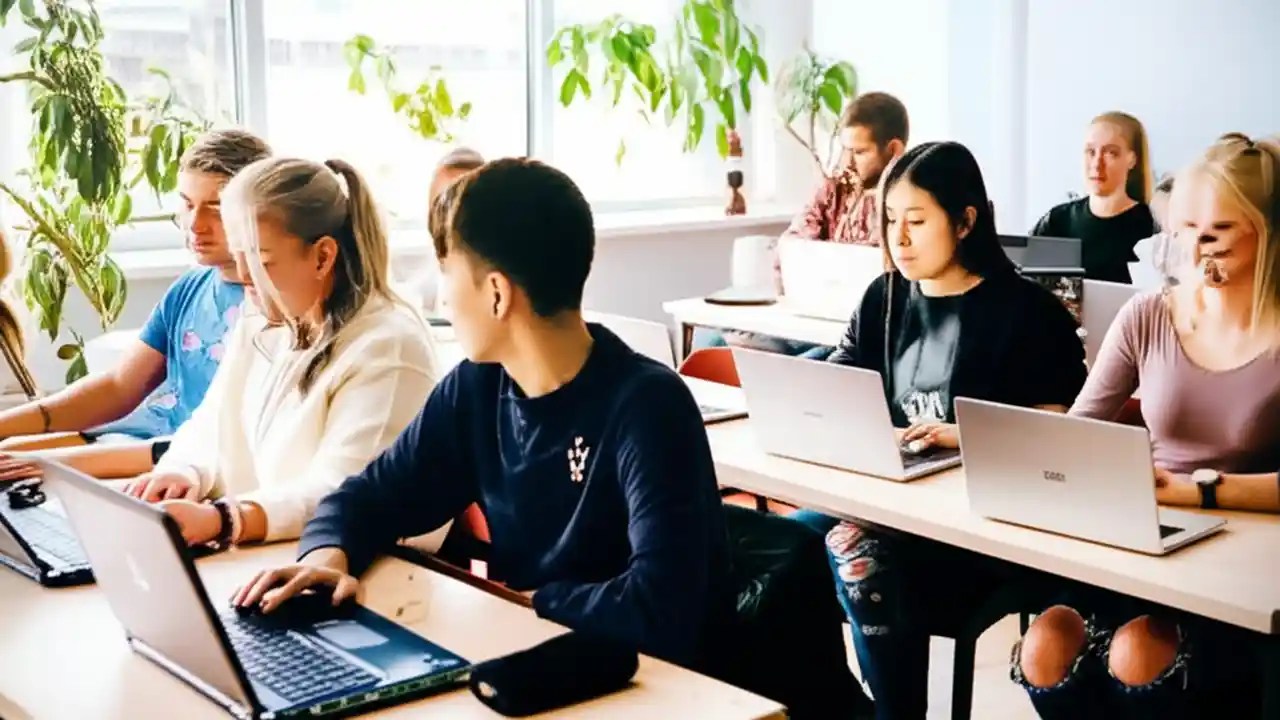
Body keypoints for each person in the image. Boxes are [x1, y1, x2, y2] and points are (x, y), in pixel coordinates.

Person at [230, 158, 734, 671]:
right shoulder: (479, 387)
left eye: (448, 274)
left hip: (653, 686)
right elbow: (370, 497)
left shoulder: (648, 406)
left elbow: (665, 606)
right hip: (544, 660)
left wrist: (525, 603)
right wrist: (326, 561)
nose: (443, 296)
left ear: (495, 293)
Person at [793, 141, 1088, 719]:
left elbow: (1065, 429)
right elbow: (841, 380)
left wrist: (963, 435)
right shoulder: (883, 298)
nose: (897, 238)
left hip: (976, 526)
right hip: (888, 499)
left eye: (917, 221)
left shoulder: (1027, 313)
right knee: (776, 547)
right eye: (890, 220)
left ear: (965, 221)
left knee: (853, 548)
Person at [1014, 134, 1280, 719]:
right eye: (1183, 230)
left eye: (1216, 232)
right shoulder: (1150, 314)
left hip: (1242, 563)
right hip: (1146, 536)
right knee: (1045, 644)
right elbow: (1079, 432)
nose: (1194, 250)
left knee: (1138, 652)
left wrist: (1201, 489)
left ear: (1269, 230)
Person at [120, 157, 438, 548]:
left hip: (361, 571)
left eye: (261, 260)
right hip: (270, 555)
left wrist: (226, 519)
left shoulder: (389, 345)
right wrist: (183, 472)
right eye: (239, 255)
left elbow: (345, 494)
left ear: (323, 256)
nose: (243, 275)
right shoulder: (268, 316)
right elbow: (212, 421)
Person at [0, 129, 271, 481]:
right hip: (125, 443)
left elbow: (223, 447)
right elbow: (117, 387)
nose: (195, 225)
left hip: (177, 467)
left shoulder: (276, 307)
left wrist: (56, 461)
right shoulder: (190, 287)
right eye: (187, 204)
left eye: (216, 209)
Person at [702, 92, 911, 359]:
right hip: (807, 317)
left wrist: (884, 190)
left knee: (805, 364)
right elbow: (791, 245)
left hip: (852, 335)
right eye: (845, 149)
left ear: (893, 150)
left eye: (859, 152)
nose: (847, 161)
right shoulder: (835, 186)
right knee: (711, 342)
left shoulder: (907, 201)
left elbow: (889, 276)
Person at [1031, 111, 1157, 284]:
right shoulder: (1057, 222)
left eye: (1111, 153)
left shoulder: (1151, 228)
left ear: (1132, 159)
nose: (1097, 164)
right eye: (1091, 152)